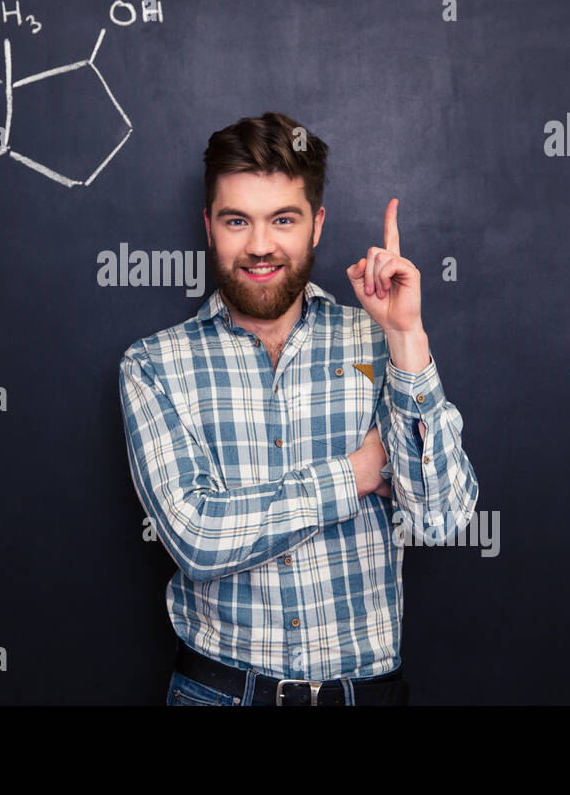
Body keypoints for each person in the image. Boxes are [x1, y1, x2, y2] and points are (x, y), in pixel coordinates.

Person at [118, 111, 478, 706]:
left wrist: (409, 340)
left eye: (283, 219)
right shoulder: (155, 365)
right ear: (209, 226)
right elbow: (197, 537)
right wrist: (357, 474)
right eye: (238, 220)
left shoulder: (376, 341)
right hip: (218, 694)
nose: (260, 246)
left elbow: (441, 517)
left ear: (316, 226)